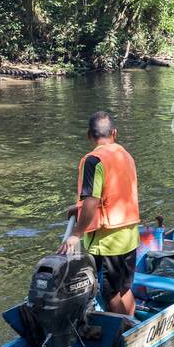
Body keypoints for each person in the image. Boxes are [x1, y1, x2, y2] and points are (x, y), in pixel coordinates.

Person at [61, 110, 140, 317]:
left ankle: (123, 335)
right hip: (130, 234)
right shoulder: (125, 155)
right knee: (124, 288)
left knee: (110, 294)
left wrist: (76, 234)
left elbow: (92, 201)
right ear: (114, 132)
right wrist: (78, 208)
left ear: (89, 135)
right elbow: (113, 193)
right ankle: (133, 325)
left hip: (107, 241)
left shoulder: (93, 160)